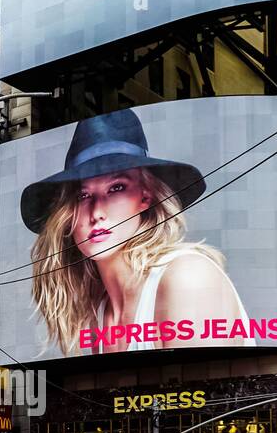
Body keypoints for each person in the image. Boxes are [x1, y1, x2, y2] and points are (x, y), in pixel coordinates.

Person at [22, 109, 248, 357]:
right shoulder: (99, 314)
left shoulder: (186, 277)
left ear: (145, 197)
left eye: (116, 188)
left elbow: (205, 393)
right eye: (83, 195)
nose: (97, 211)